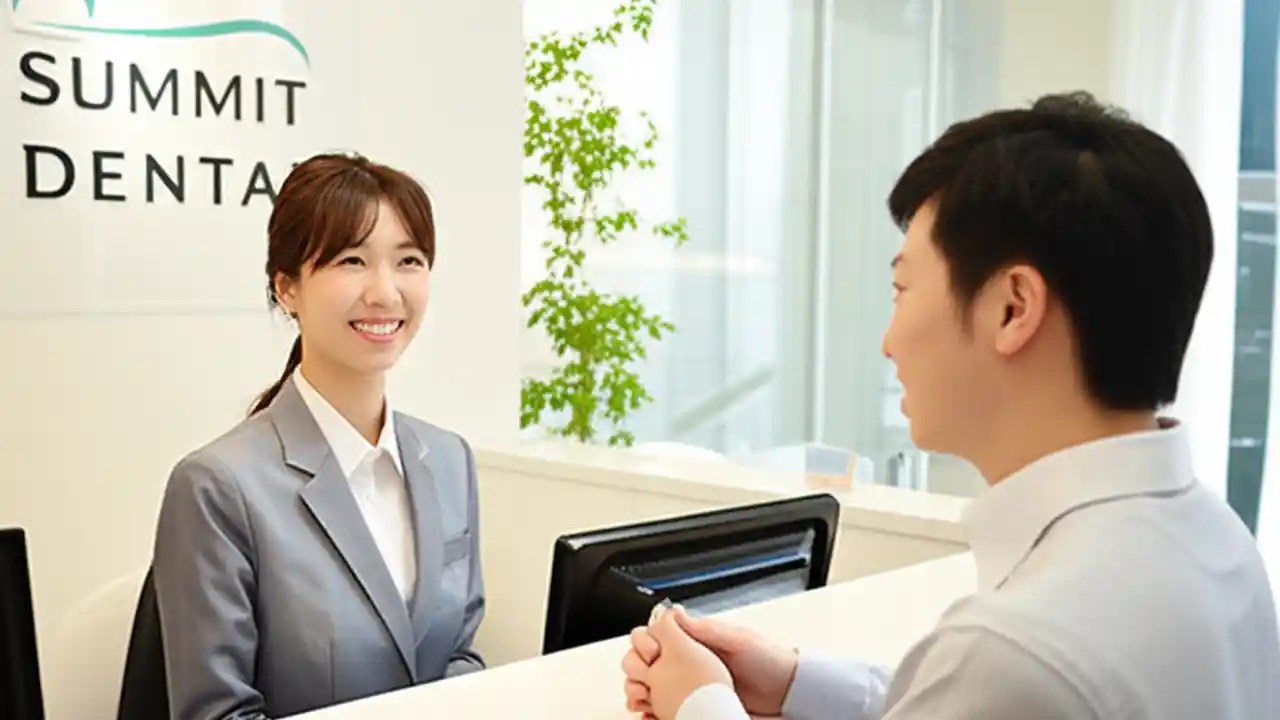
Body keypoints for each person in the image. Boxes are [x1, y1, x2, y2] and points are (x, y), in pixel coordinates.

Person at [621, 92, 1280, 719]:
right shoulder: (1218, 543)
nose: (888, 341)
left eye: (903, 288)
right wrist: (795, 681)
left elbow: (1007, 684)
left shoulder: (1018, 648)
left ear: (1013, 308)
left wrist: (703, 706)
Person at [151, 152, 485, 719]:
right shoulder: (217, 487)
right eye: (352, 260)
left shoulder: (449, 460)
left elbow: (458, 658)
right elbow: (219, 714)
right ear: (287, 288)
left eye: (408, 260)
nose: (385, 292)